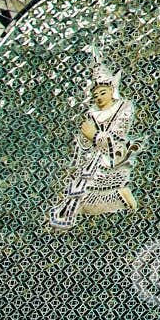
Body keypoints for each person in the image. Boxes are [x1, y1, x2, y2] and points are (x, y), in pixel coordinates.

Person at [47, 63, 139, 230]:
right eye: (95, 95)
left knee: (90, 194)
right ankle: (68, 217)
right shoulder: (92, 113)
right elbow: (84, 143)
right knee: (78, 193)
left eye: (103, 93)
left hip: (113, 159)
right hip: (92, 160)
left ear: (112, 91)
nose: (99, 98)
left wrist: (95, 135)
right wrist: (84, 139)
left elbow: (117, 139)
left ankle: (125, 200)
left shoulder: (123, 108)